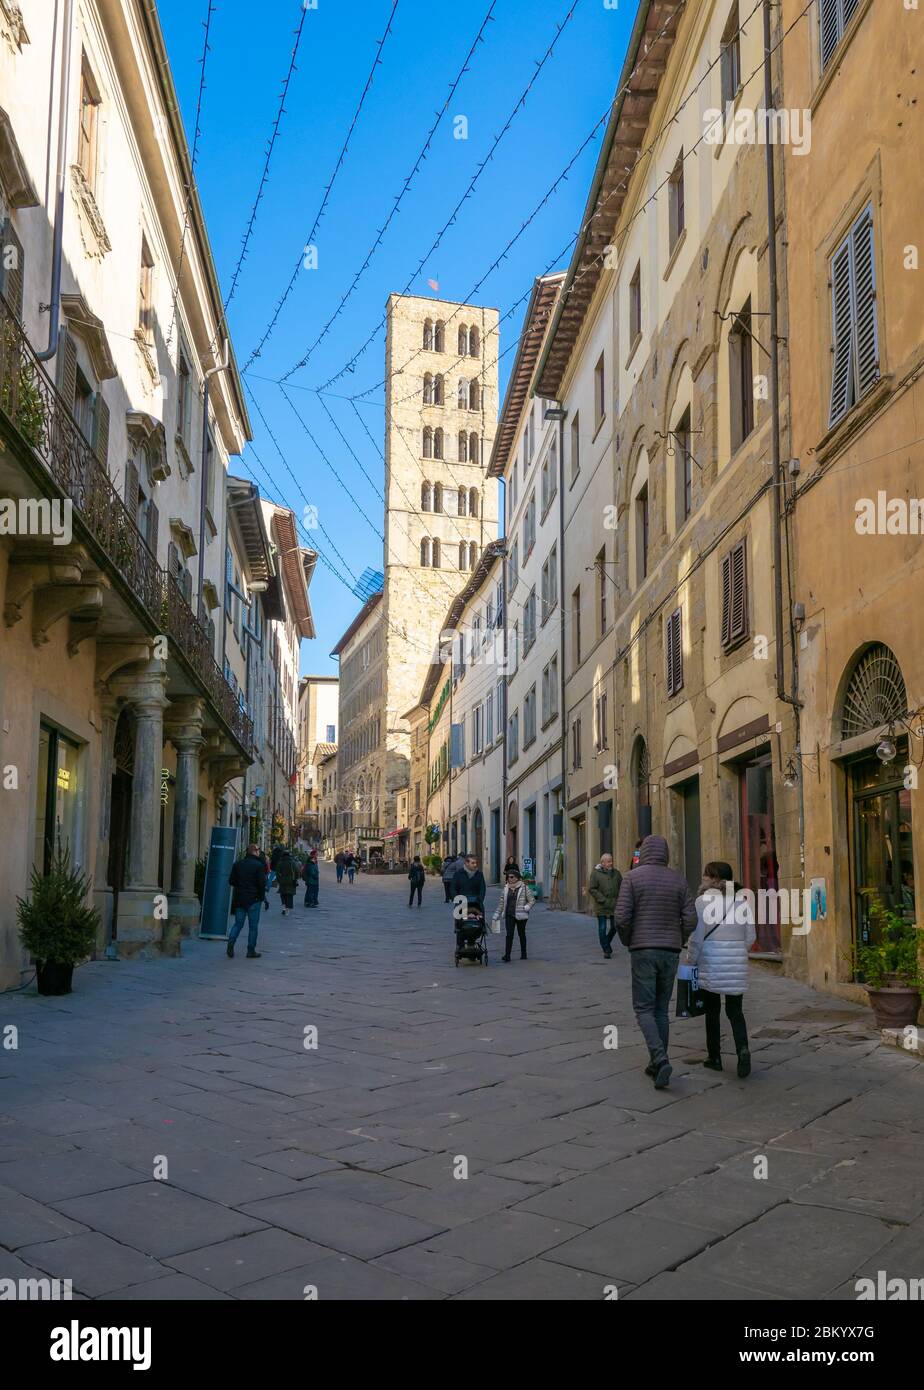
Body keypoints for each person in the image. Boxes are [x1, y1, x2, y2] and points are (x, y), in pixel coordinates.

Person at [614, 833, 697, 1090]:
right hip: (670, 950)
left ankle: (660, 1060)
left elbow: (621, 917)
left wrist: (629, 940)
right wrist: (678, 937)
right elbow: (691, 919)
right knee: (661, 1009)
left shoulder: (632, 878)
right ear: (666, 854)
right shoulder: (678, 880)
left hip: (643, 950)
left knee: (643, 1008)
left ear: (644, 853)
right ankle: (657, 1061)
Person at [687, 861, 755, 1078]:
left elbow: (696, 938)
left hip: (711, 963)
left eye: (706, 874)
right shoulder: (742, 902)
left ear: (713, 878)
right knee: (735, 1012)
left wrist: (691, 960)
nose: (703, 878)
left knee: (712, 1012)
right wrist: (736, 950)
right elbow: (751, 938)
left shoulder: (702, 902)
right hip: (736, 964)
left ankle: (714, 1058)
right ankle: (743, 1050)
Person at [227, 844, 267, 959]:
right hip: (253, 900)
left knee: (238, 923)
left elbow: (231, 881)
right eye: (258, 850)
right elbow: (261, 884)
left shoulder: (238, 864)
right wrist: (261, 897)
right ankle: (251, 950)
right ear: (254, 851)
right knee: (253, 926)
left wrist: (241, 887)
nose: (259, 852)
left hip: (240, 898)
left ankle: (231, 941)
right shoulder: (259, 866)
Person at [494, 867, 534, 961]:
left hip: (521, 915)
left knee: (521, 934)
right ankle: (507, 955)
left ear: (517, 877)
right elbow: (501, 903)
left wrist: (526, 907)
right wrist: (496, 914)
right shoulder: (505, 889)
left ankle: (524, 954)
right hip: (509, 914)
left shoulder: (524, 887)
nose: (509, 879)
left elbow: (532, 900)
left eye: (511, 877)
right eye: (508, 877)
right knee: (509, 935)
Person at [588, 852, 623, 958]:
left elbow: (622, 886)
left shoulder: (616, 873)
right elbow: (592, 888)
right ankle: (606, 950)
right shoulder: (595, 873)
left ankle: (606, 942)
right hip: (601, 905)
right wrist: (601, 899)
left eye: (611, 861)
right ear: (602, 862)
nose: (610, 863)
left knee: (615, 927)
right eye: (608, 861)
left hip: (614, 904)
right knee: (602, 928)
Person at [275, 848, 297, 915]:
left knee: (283, 894)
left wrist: (279, 880)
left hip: (283, 880)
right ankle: (288, 909)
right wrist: (295, 878)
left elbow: (277, 873)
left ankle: (284, 907)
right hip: (291, 881)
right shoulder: (292, 862)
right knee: (289, 895)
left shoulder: (280, 863)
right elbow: (297, 871)